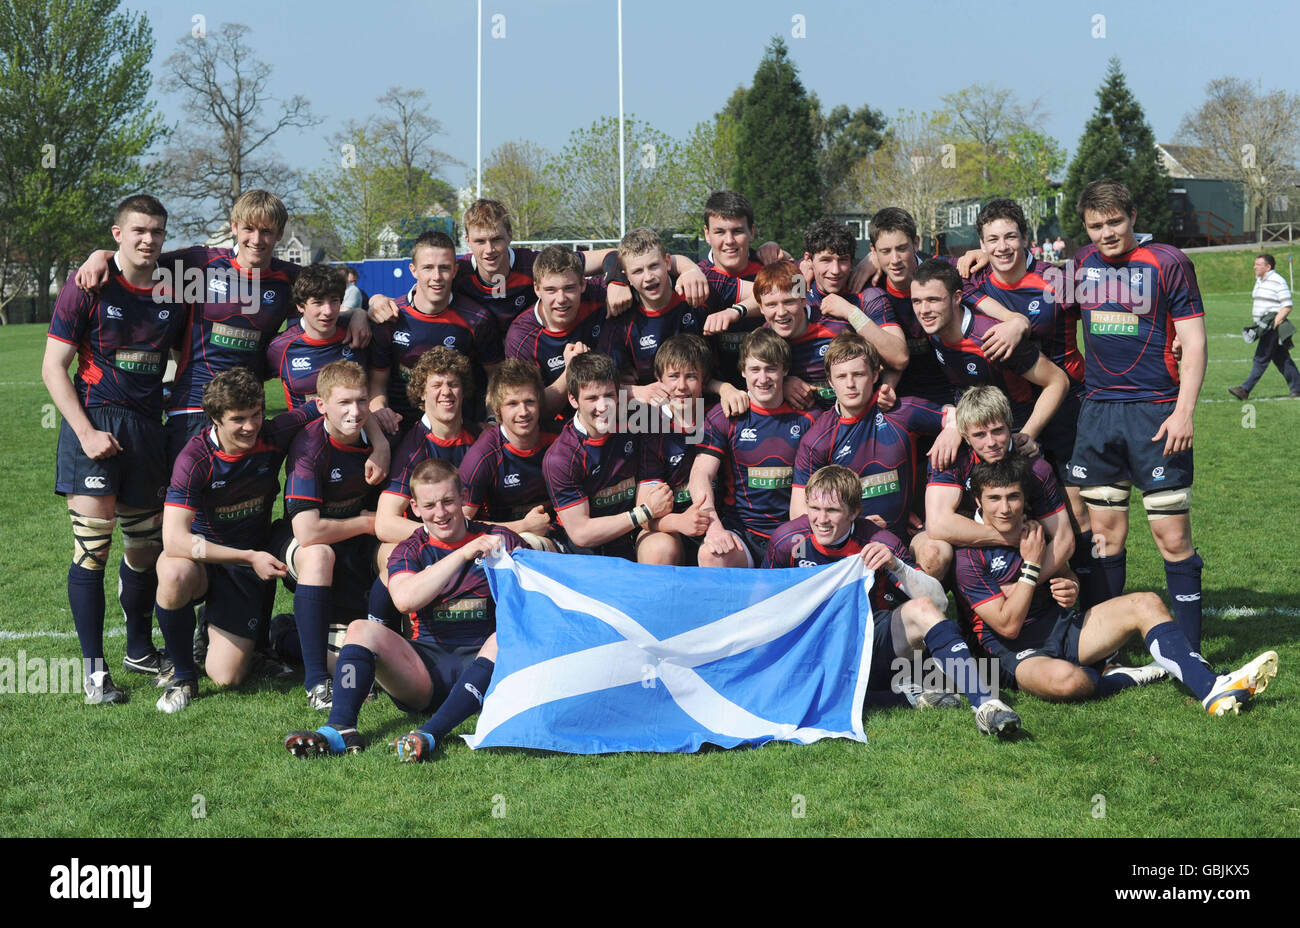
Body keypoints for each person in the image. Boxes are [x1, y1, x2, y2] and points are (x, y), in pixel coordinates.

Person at [954, 456, 1279, 717]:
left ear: (1024, 499)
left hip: (1064, 628)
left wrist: (1070, 585)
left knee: (1145, 603)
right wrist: (1031, 567)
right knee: (1070, 682)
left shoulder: (1033, 531)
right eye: (994, 499)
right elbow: (1008, 626)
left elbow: (1066, 576)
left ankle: (1209, 686)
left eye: (1013, 497)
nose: (1005, 507)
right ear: (978, 502)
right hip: (1020, 652)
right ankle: (1123, 677)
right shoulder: (968, 557)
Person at [75, 189, 369, 462]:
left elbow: (325, 302)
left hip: (246, 410)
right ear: (234, 227)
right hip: (193, 405)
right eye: (249, 229)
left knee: (239, 499)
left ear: (279, 233)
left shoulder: (289, 278)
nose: (257, 239)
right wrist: (100, 255)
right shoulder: (198, 263)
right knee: (185, 498)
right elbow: (139, 259)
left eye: (266, 231)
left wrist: (358, 314)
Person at [42, 194, 190, 703]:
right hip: (96, 425)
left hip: (149, 430)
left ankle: (139, 648)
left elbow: (181, 356)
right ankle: (94, 675)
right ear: (116, 233)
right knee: (92, 549)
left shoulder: (175, 289)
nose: (148, 239)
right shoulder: (86, 286)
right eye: (138, 231)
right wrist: (84, 432)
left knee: (145, 546)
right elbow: (52, 368)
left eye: (157, 232)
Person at [284, 459, 525, 760]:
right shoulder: (411, 549)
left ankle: (430, 734)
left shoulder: (499, 540)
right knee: (361, 629)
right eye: (430, 505)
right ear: (414, 507)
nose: (440, 513)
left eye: (448, 501)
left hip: (486, 663)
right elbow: (405, 600)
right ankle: (340, 728)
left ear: (463, 497)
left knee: (503, 638)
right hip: (423, 671)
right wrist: (462, 554)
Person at [764, 465, 1022, 735]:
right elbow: (765, 605)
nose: (821, 519)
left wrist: (896, 565)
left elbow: (939, 601)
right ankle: (907, 696)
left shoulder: (880, 541)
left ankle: (987, 704)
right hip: (813, 645)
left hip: (869, 640)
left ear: (854, 512)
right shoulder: (786, 541)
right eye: (814, 509)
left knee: (922, 609)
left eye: (832, 510)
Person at [1065, 179, 1208, 650]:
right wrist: (972, 258)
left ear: (1133, 218)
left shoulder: (1169, 262)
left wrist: (1184, 412)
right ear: (1085, 228)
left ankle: (1189, 651)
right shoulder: (1079, 265)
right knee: (1104, 536)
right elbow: (1021, 279)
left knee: (1171, 536)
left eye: (1115, 222)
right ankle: (1107, 647)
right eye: (1095, 225)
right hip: (1099, 412)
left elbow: (1193, 341)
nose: (1106, 233)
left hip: (1156, 413)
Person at [153, 368, 316, 712]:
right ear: (214, 419)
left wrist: (376, 441)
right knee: (172, 571)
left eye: (256, 414)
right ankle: (182, 674)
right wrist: (245, 557)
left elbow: (329, 403)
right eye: (238, 419)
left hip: (247, 564)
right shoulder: (194, 458)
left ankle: (221, 634)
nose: (251, 426)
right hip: (208, 558)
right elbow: (174, 541)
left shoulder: (274, 433)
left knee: (229, 677)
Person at [790, 333, 961, 576]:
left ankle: (921, 604)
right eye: (841, 376)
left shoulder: (901, 412)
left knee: (936, 554)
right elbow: (798, 514)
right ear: (830, 381)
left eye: (858, 374)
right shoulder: (816, 439)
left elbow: (961, 415)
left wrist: (954, 428)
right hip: (849, 545)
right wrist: (856, 527)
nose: (850, 384)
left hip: (905, 537)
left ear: (875, 374)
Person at [270, 361, 379, 710]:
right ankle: (317, 681)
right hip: (299, 542)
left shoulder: (379, 436)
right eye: (344, 402)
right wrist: (365, 523)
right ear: (322, 405)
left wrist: (383, 445)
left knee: (365, 654)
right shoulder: (309, 446)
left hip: (351, 546)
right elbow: (308, 530)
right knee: (319, 555)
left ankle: (285, 633)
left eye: (362, 401)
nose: (355, 411)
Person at [690, 328, 818, 568]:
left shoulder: (810, 418)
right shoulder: (723, 416)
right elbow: (700, 474)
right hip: (743, 533)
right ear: (742, 371)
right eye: (755, 370)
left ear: (785, 371)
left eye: (771, 369)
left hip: (796, 531)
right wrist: (714, 526)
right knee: (711, 554)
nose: (763, 378)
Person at [925, 386, 1075, 589]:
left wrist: (1024, 586)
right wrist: (1007, 537)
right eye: (979, 435)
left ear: (1009, 425)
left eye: (997, 431)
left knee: (1049, 552)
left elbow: (1064, 538)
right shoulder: (951, 457)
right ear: (965, 436)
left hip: (1021, 545)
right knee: (932, 554)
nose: (991, 442)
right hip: (967, 541)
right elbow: (938, 525)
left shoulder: (1036, 468)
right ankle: (936, 618)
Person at [913, 258, 1069, 447]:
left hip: (1010, 436)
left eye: (933, 300)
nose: (924, 310)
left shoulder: (992, 338)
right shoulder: (933, 329)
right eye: (917, 301)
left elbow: (1057, 381)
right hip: (972, 431)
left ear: (957, 298)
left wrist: (1027, 436)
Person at [368, 231, 501, 444]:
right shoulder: (390, 318)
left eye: (445, 268)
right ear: (413, 270)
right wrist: (381, 411)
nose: (436, 277)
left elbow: (496, 377)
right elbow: (377, 385)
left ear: (456, 270)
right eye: (428, 268)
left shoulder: (477, 320)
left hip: (459, 431)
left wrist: (492, 419)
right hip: (400, 429)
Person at [542, 352, 673, 560]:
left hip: (632, 537)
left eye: (608, 396)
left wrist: (724, 388)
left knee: (662, 546)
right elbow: (581, 534)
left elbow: (687, 407)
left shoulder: (637, 421)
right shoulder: (561, 457)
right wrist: (644, 512)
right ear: (573, 400)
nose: (603, 407)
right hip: (586, 552)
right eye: (592, 398)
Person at [632, 334, 713, 565]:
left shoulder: (718, 416)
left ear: (703, 380)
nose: (681, 386)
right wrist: (680, 522)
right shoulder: (649, 426)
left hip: (717, 521)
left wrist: (727, 389)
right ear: (658, 380)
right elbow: (645, 514)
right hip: (667, 525)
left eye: (691, 376)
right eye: (673, 376)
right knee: (658, 549)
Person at [458, 360, 559, 547]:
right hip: (501, 543)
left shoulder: (559, 440)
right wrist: (523, 526)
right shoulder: (482, 456)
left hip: (559, 532)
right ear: (498, 410)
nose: (523, 412)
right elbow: (460, 523)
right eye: (512, 404)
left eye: (529, 401)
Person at [267, 264, 371, 411]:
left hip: (358, 430)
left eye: (334, 301)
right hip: (303, 433)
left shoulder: (359, 333)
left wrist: (362, 312)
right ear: (300, 306)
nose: (327, 311)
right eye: (318, 302)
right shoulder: (280, 347)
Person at [1229, 253, 1300, 399]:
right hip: (1262, 326)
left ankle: (1244, 390)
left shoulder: (1278, 281)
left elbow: (1287, 305)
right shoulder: (1260, 280)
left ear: (1268, 267)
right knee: (1282, 359)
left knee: (1260, 358)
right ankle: (1297, 388)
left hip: (1271, 326)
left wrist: (1273, 325)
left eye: (1258, 264)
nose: (1254, 267)